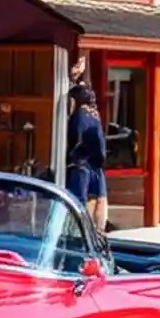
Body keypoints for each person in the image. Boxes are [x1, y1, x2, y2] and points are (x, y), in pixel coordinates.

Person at [65, 85, 109, 232]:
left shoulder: (80, 115)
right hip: (96, 168)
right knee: (98, 205)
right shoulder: (95, 115)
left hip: (81, 166)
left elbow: (74, 140)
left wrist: (71, 157)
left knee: (78, 204)